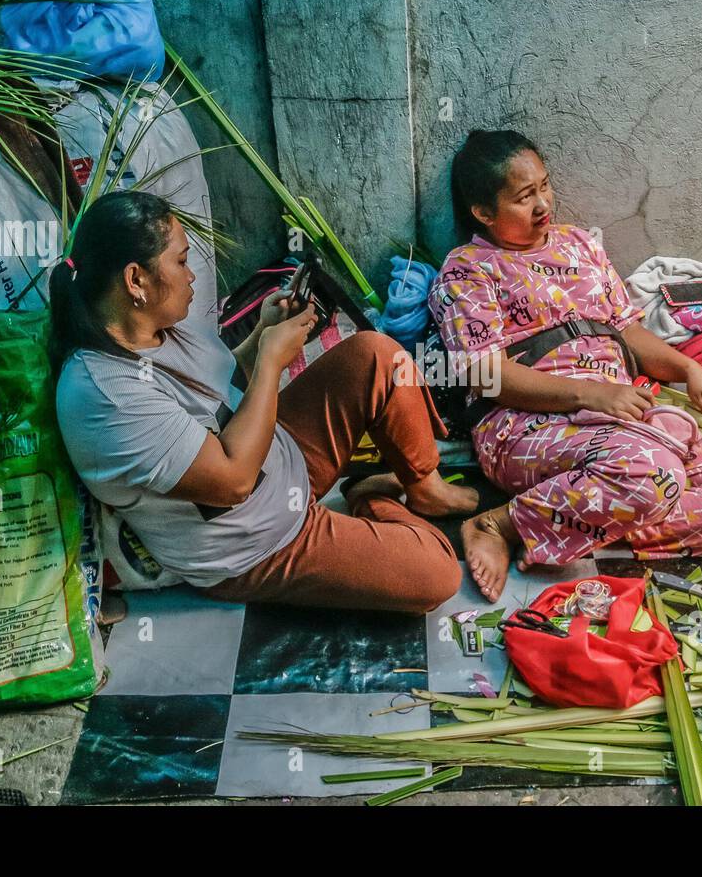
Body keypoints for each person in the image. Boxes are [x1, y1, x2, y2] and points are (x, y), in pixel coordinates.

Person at [51, 190, 477, 613]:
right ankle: (369, 496)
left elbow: (221, 387)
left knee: (377, 355)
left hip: (281, 457)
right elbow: (233, 481)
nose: (192, 276)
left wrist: (261, 336)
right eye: (180, 262)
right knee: (437, 574)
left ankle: (425, 488)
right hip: (256, 541)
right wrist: (272, 360)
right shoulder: (107, 396)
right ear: (135, 280)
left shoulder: (155, 326)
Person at [430, 130, 702, 602]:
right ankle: (499, 523)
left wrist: (688, 369)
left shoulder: (578, 245)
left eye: (545, 187)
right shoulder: (468, 269)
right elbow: (484, 376)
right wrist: (591, 394)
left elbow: (628, 332)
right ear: (483, 212)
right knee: (653, 472)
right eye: (524, 197)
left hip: (622, 418)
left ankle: (573, 521)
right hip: (527, 422)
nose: (542, 204)